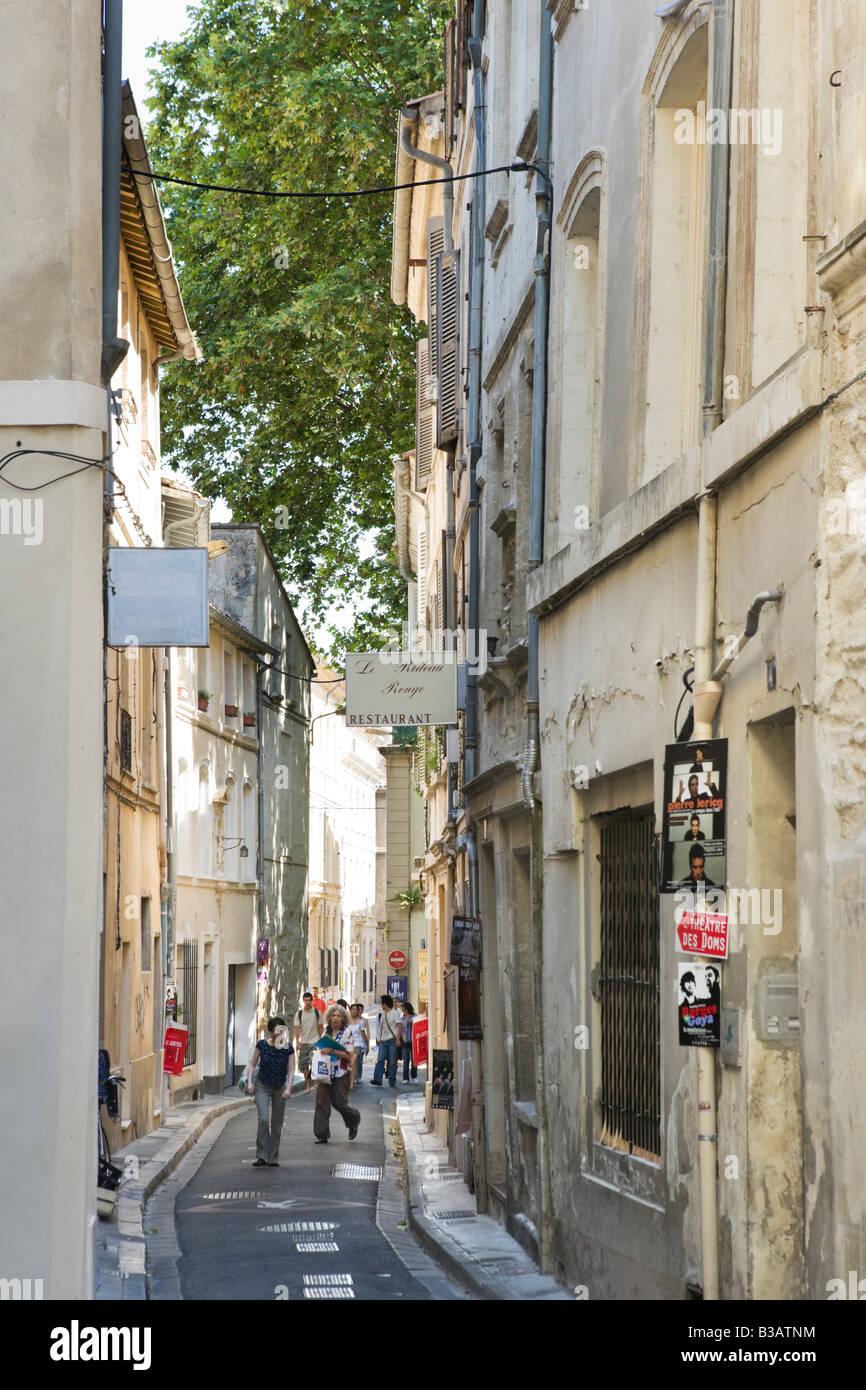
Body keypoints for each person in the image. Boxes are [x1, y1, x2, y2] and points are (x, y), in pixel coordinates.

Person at [247, 1017, 295, 1167]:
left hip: (280, 1087)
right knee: (263, 1119)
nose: (280, 1032)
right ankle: (261, 1155)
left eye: (282, 1029)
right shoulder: (262, 1045)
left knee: (277, 1123)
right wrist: (249, 1082)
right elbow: (253, 1064)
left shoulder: (288, 1048)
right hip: (262, 1085)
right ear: (271, 1031)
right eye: (277, 1029)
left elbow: (291, 1069)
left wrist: (288, 1088)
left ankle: (273, 1157)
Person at [313, 1004, 360, 1144]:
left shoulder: (347, 1032)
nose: (335, 1018)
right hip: (324, 1073)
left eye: (338, 1016)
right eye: (333, 1015)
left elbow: (348, 1054)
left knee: (339, 1103)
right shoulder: (325, 1032)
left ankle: (353, 1120)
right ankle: (321, 1134)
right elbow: (321, 1049)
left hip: (340, 1073)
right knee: (321, 1102)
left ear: (343, 1019)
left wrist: (332, 1050)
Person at [294, 991, 324, 1094]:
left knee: (314, 1062)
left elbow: (321, 1027)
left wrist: (320, 1040)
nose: (307, 1002)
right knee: (304, 1065)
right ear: (303, 1001)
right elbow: (297, 1028)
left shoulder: (317, 1013)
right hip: (304, 1042)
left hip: (314, 1041)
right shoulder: (299, 1013)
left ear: (311, 1001)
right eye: (305, 1000)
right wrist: (297, 1042)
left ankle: (315, 1081)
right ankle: (307, 1085)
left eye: (309, 1000)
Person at [370, 994, 402, 1088]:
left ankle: (392, 1081)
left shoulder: (395, 1013)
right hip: (383, 1041)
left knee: (392, 1061)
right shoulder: (382, 1013)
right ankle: (377, 1079)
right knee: (380, 1060)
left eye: (382, 1003)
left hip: (392, 1040)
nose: (381, 1005)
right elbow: (381, 1026)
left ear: (385, 1004)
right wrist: (378, 1038)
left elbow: (399, 1025)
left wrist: (398, 1038)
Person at [346, 1002, 369, 1088]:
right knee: (352, 1064)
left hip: (357, 1044)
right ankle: (350, 1082)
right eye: (353, 1009)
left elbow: (364, 1035)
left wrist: (367, 1045)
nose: (355, 1011)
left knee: (352, 1062)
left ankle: (350, 1083)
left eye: (356, 1009)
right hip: (348, 1044)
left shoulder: (361, 1022)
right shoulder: (346, 1021)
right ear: (350, 1010)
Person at [399, 1001, 418, 1083]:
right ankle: (405, 1078)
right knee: (406, 1060)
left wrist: (411, 1022)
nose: (403, 1012)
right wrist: (402, 1037)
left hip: (414, 1041)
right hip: (405, 1041)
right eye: (402, 1010)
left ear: (408, 1009)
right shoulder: (402, 1018)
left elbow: (417, 1026)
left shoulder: (415, 1016)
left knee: (414, 1061)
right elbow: (401, 1030)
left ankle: (414, 1076)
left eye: (404, 1010)